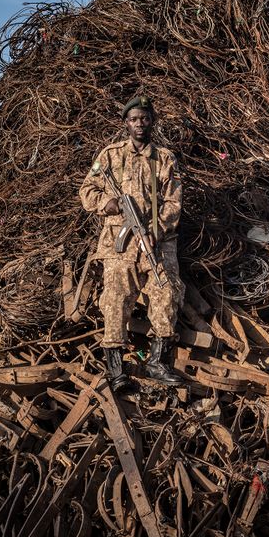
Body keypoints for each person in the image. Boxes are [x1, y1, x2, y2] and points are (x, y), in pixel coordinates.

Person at [79, 95, 185, 392]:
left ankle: (157, 362)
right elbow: (87, 192)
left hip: (157, 241)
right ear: (126, 123)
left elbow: (174, 201)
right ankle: (116, 369)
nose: (140, 124)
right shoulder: (110, 155)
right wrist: (108, 203)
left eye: (145, 118)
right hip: (119, 242)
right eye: (134, 119)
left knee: (167, 292)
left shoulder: (164, 157)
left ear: (152, 122)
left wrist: (157, 229)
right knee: (115, 298)